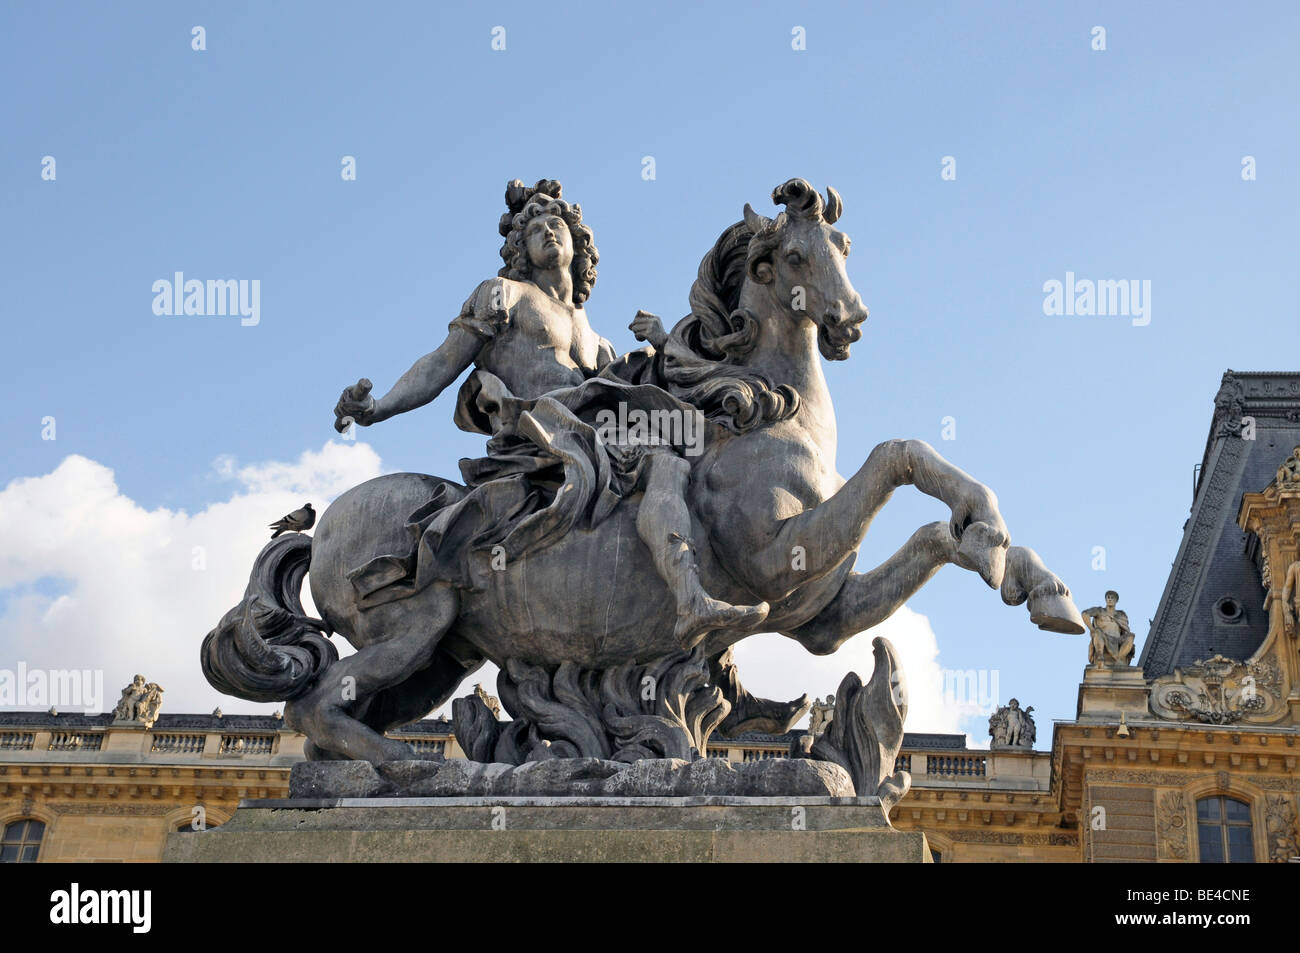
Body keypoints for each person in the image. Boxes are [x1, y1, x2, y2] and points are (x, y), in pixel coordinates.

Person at [334, 179, 767, 646]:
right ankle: (690, 601)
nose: (549, 232)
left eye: (557, 224)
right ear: (520, 249)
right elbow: (442, 362)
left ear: (580, 247)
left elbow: (637, 392)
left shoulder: (595, 337)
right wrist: (379, 408)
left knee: (689, 444)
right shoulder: (505, 295)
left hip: (595, 434)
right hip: (538, 436)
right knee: (663, 461)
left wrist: (663, 342)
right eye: (535, 229)